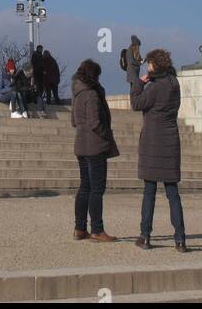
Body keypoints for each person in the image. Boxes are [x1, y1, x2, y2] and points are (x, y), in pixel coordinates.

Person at [130, 48, 187, 251]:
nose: (148, 67)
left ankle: (145, 236)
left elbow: (136, 104)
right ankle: (180, 239)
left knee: (149, 192)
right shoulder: (174, 84)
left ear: (155, 65)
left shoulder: (155, 87)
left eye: (149, 64)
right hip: (170, 142)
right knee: (173, 194)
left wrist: (139, 84)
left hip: (153, 143)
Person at [71, 59, 119, 242]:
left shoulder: (77, 92)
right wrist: (106, 135)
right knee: (96, 189)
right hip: (95, 146)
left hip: (81, 145)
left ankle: (79, 228)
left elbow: (74, 122)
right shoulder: (91, 94)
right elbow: (95, 122)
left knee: (85, 187)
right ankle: (97, 229)